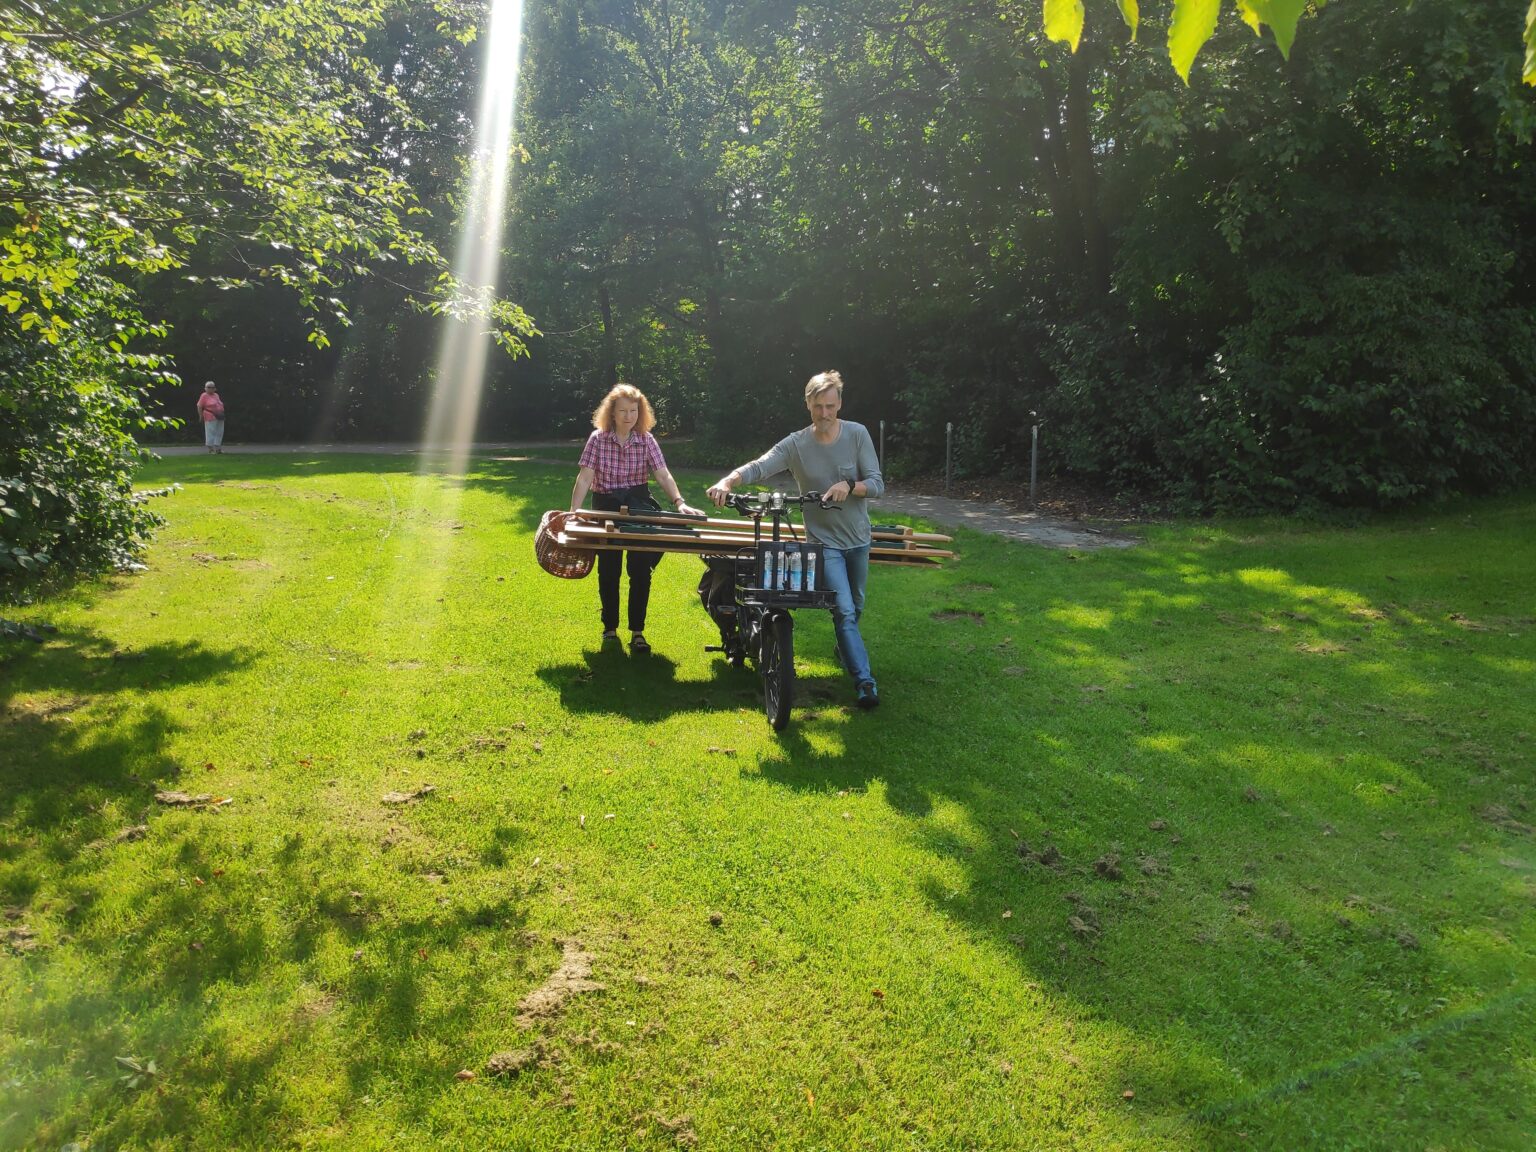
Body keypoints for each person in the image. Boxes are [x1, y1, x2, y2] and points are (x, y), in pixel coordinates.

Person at [707, 370, 885, 709]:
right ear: (808, 405)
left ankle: (846, 646)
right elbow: (761, 465)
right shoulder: (797, 443)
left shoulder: (857, 435)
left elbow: (876, 483)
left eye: (830, 406)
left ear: (840, 404)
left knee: (856, 607)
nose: (824, 414)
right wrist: (728, 482)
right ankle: (865, 683)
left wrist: (849, 486)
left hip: (858, 538)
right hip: (824, 543)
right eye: (818, 406)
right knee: (844, 611)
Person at [571, 383, 703, 652]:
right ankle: (609, 629)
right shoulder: (597, 439)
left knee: (641, 571)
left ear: (640, 413)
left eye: (633, 411)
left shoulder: (646, 440)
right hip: (606, 506)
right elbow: (585, 477)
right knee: (609, 570)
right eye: (623, 411)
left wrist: (680, 503)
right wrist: (574, 513)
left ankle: (637, 633)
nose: (628, 416)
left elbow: (663, 474)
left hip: (638, 506)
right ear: (612, 413)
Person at [196, 380, 225, 453]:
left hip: (219, 416)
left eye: (212, 387)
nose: (210, 389)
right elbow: (199, 406)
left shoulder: (216, 395)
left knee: (219, 432)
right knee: (210, 432)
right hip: (210, 416)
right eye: (208, 387)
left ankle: (218, 448)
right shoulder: (204, 395)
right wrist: (200, 415)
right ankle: (210, 448)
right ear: (205, 388)